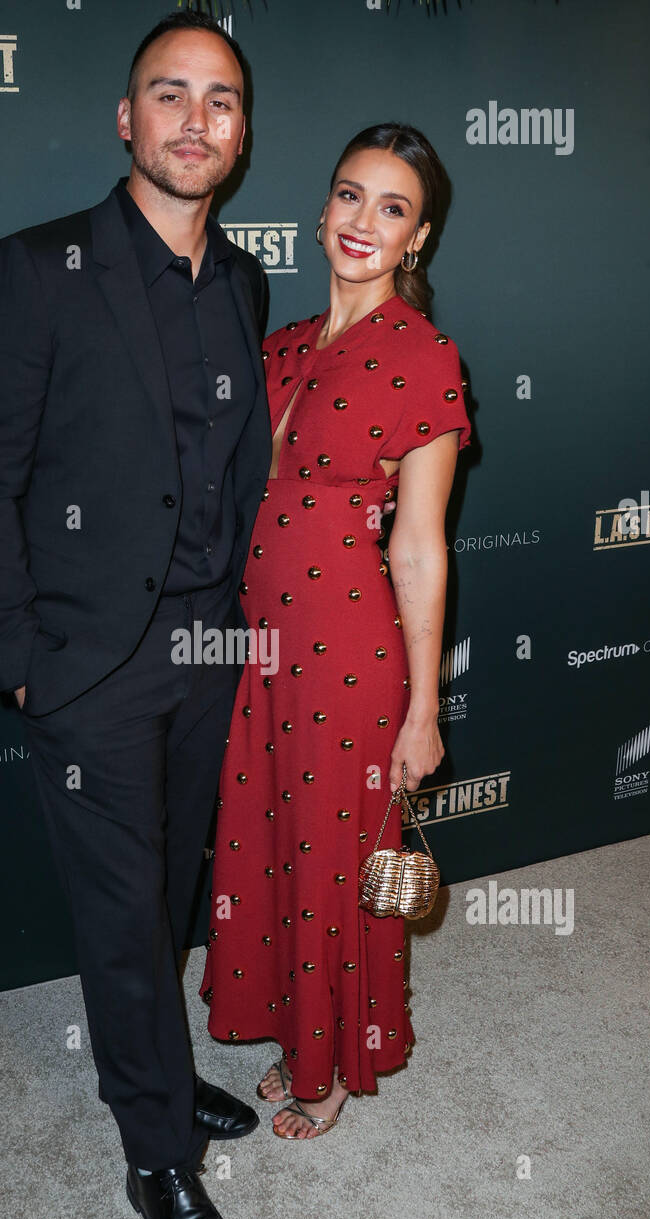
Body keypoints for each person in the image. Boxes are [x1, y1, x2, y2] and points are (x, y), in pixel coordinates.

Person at [0, 11, 274, 1219]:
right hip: (88, 662)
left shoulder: (244, 282)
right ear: (125, 120)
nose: (197, 120)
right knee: (114, 905)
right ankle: (157, 1158)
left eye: (222, 100)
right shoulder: (38, 268)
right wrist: (24, 655)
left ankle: (157, 1063)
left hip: (210, 645)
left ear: (242, 135)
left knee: (171, 891)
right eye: (170, 94)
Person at [200, 123, 472, 1139]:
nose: (363, 221)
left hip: (345, 653)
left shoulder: (425, 358)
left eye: (390, 208)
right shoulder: (272, 342)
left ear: (417, 238)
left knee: (327, 865)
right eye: (349, 197)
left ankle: (327, 1067)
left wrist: (420, 711)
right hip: (252, 648)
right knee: (267, 850)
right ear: (320, 213)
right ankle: (287, 1033)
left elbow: (417, 550)